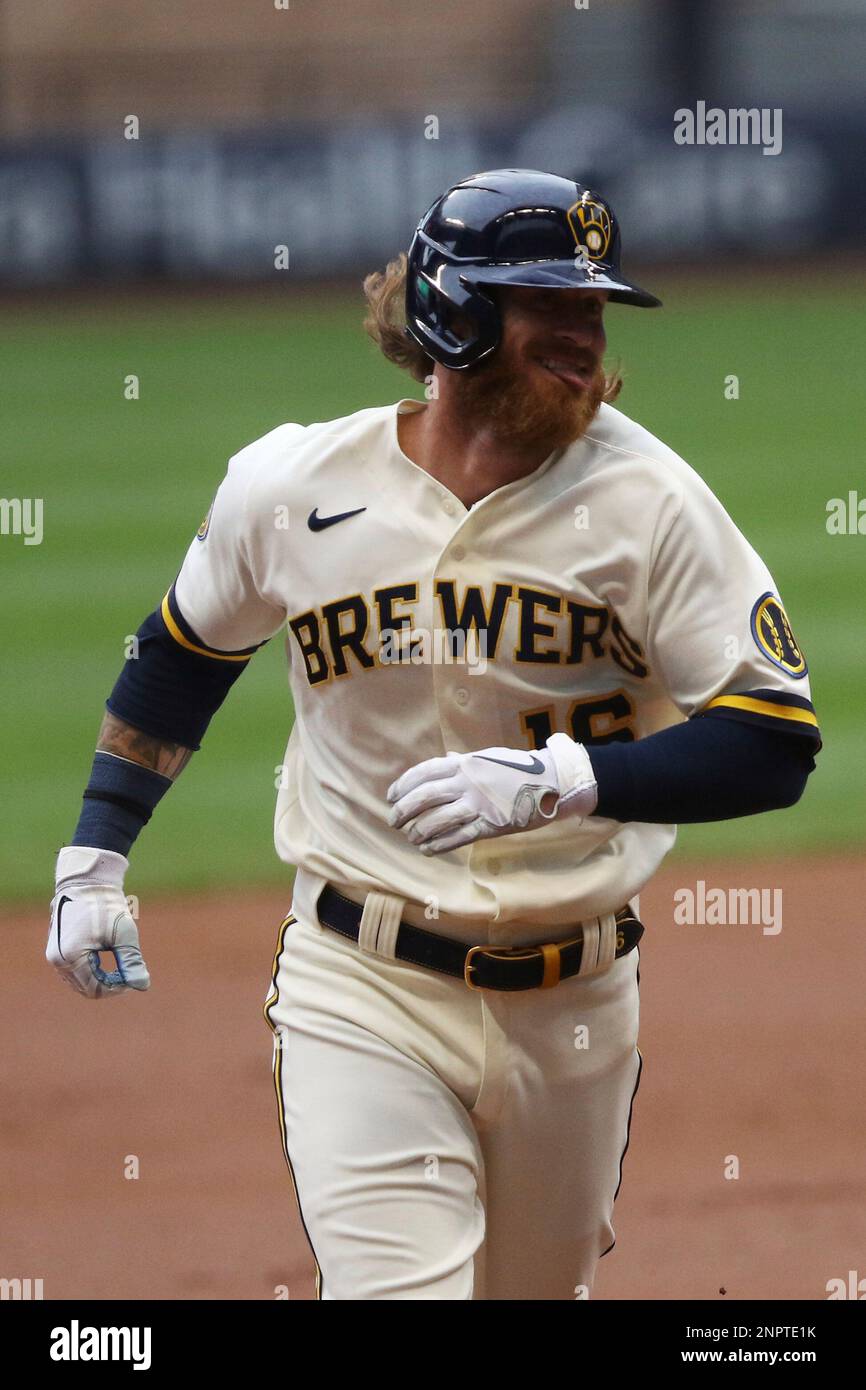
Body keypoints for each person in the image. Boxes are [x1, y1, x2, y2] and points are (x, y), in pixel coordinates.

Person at [48, 169, 821, 1300]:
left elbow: (772, 736)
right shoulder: (292, 485)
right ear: (449, 313)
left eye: (592, 309)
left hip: (577, 1007)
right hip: (360, 984)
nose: (582, 337)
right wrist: (94, 852)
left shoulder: (653, 503)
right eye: (546, 307)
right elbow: (180, 654)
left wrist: (567, 778)